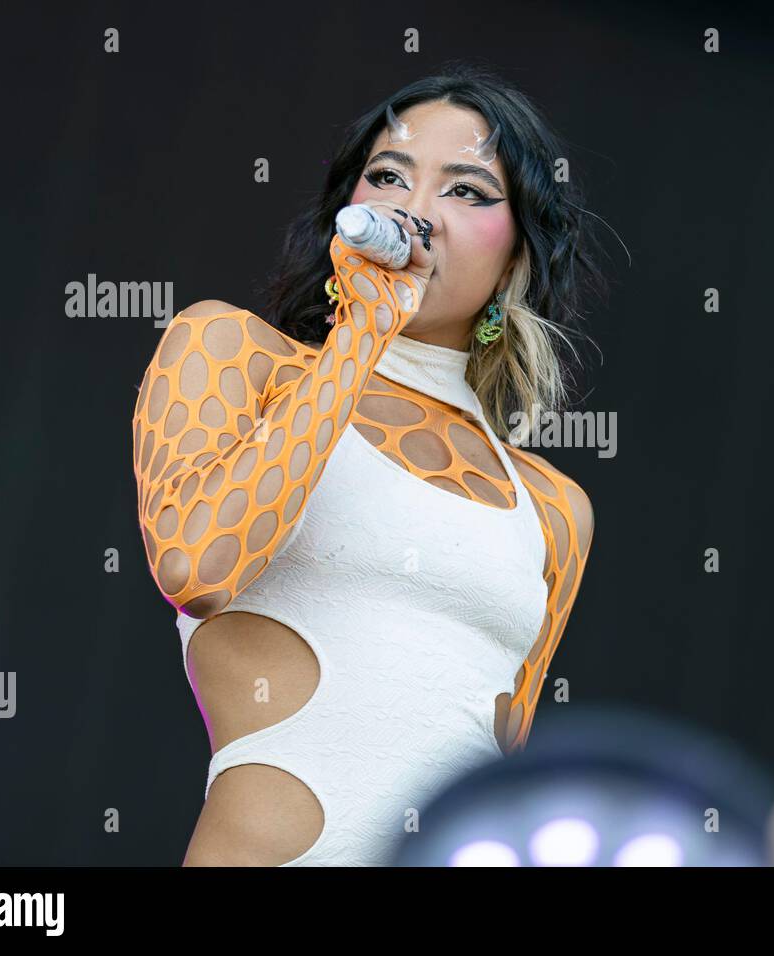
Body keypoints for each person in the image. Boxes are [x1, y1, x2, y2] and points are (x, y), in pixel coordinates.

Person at [130, 65, 605, 865]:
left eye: (468, 190)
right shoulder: (236, 353)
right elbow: (199, 565)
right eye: (388, 176)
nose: (415, 210)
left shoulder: (554, 507)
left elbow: (502, 776)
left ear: (517, 254)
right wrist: (361, 332)